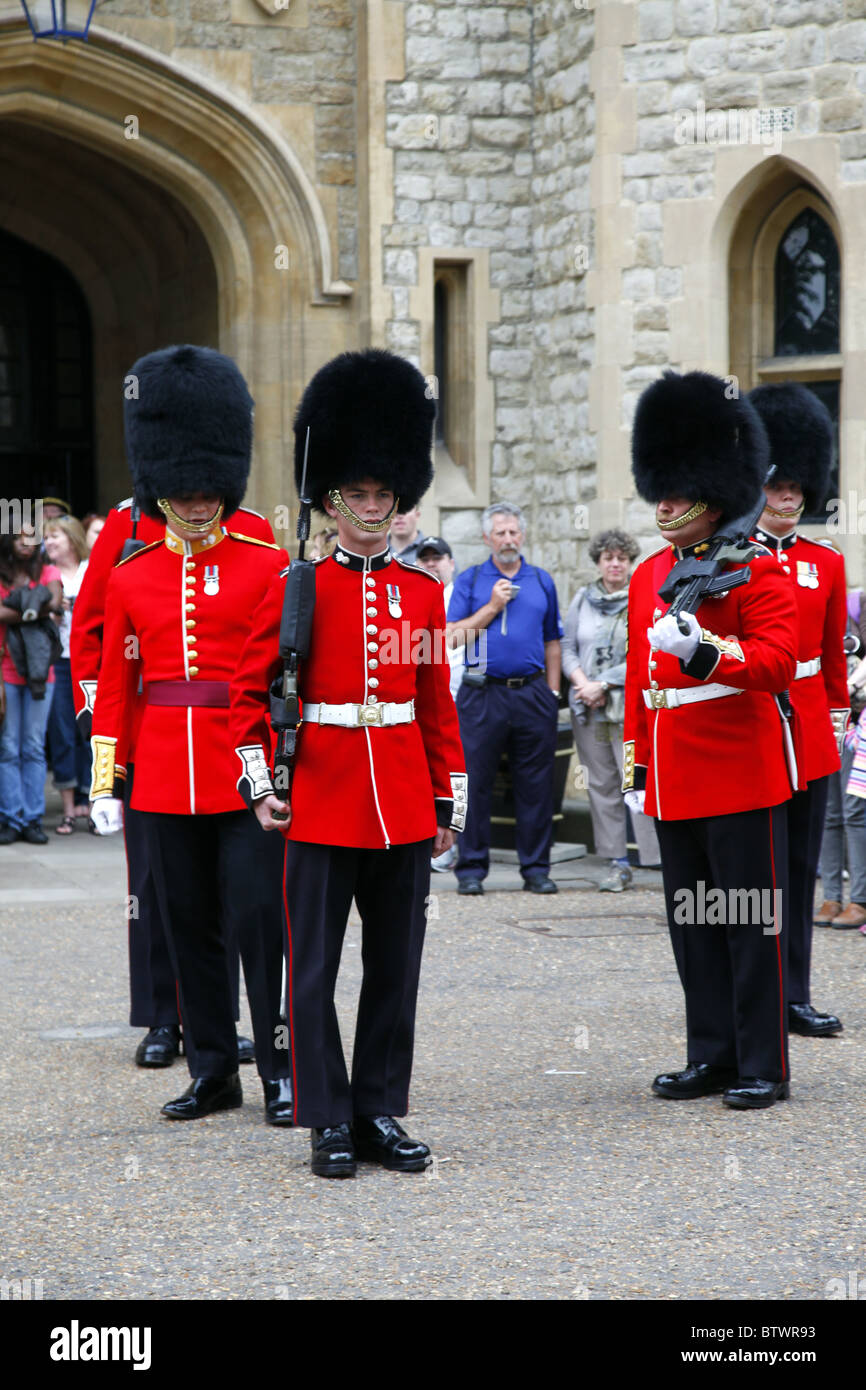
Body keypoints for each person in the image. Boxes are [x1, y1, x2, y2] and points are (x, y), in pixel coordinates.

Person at [230, 347, 466, 1179]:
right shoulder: (298, 586)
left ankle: (377, 1111)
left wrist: (448, 803)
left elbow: (436, 705)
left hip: (401, 796)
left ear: (398, 500)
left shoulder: (424, 594)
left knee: (396, 968)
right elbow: (247, 698)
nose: (369, 509)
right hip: (321, 796)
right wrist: (262, 785)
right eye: (353, 495)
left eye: (381, 495)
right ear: (328, 501)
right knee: (317, 965)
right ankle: (326, 1116)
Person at [89, 344, 291, 1125]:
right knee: (189, 928)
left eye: (210, 487)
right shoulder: (131, 572)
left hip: (246, 772)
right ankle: (213, 1069)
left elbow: (284, 679)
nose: (199, 499)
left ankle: (278, 1067)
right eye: (184, 487)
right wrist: (109, 778)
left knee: (259, 925)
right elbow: (117, 686)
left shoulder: (268, 564)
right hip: (164, 775)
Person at [624, 369, 798, 1110]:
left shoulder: (755, 570)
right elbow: (639, 682)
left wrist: (707, 652)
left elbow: (779, 662)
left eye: (678, 491)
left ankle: (763, 1062)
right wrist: (637, 766)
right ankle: (712, 1053)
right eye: (659, 491)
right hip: (671, 772)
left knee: (748, 922)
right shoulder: (646, 576)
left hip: (737, 769)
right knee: (693, 922)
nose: (665, 504)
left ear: (714, 493)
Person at [71, 489, 274, 1067]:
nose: (194, 502)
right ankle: (163, 1014)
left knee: (241, 897)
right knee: (157, 891)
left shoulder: (255, 530)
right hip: (151, 738)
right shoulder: (128, 526)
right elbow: (95, 632)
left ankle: (222, 1021)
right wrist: (107, 755)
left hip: (233, 743)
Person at [749, 383, 848, 1037]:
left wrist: (837, 714)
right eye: (777, 486)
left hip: (809, 724)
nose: (787, 498)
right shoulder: (734, 562)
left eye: (796, 488)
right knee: (763, 870)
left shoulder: (826, 564)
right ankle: (755, 995)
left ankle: (795, 994)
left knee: (805, 865)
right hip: (757, 724)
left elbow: (834, 657)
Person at [446, 502, 563, 896]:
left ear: (522, 536)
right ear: (487, 539)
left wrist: (552, 691)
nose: (508, 539)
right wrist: (492, 606)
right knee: (474, 782)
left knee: (535, 785)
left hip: (531, 694)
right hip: (482, 693)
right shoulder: (472, 579)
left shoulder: (542, 580)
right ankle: (472, 869)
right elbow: (453, 636)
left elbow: (552, 640)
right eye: (500, 533)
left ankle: (535, 870)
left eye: (514, 532)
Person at [563, 528, 660, 891]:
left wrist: (603, 683)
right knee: (601, 783)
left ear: (630, 561)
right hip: (588, 708)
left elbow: (645, 649)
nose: (615, 564)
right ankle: (616, 861)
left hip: (628, 706)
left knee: (636, 780)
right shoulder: (582, 599)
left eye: (622, 558)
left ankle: (655, 857)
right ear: (599, 562)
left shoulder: (643, 596)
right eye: (608, 558)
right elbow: (568, 645)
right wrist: (582, 683)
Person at [0, 529, 63, 845]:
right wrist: (33, 607)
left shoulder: (48, 570)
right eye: (19, 538)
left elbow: (55, 603)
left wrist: (18, 608)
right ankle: (12, 817)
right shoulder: (2, 572)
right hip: (5, 670)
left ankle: (32, 818)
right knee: (9, 746)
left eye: (32, 537)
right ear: (8, 541)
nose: (27, 543)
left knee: (34, 746)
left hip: (41, 672)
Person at [43, 516, 92, 832]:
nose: (49, 544)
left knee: (89, 730)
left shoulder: (92, 570)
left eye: (55, 537)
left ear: (72, 539)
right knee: (62, 732)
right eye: (47, 539)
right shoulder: (46, 575)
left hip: (89, 661)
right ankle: (70, 805)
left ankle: (92, 799)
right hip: (56, 661)